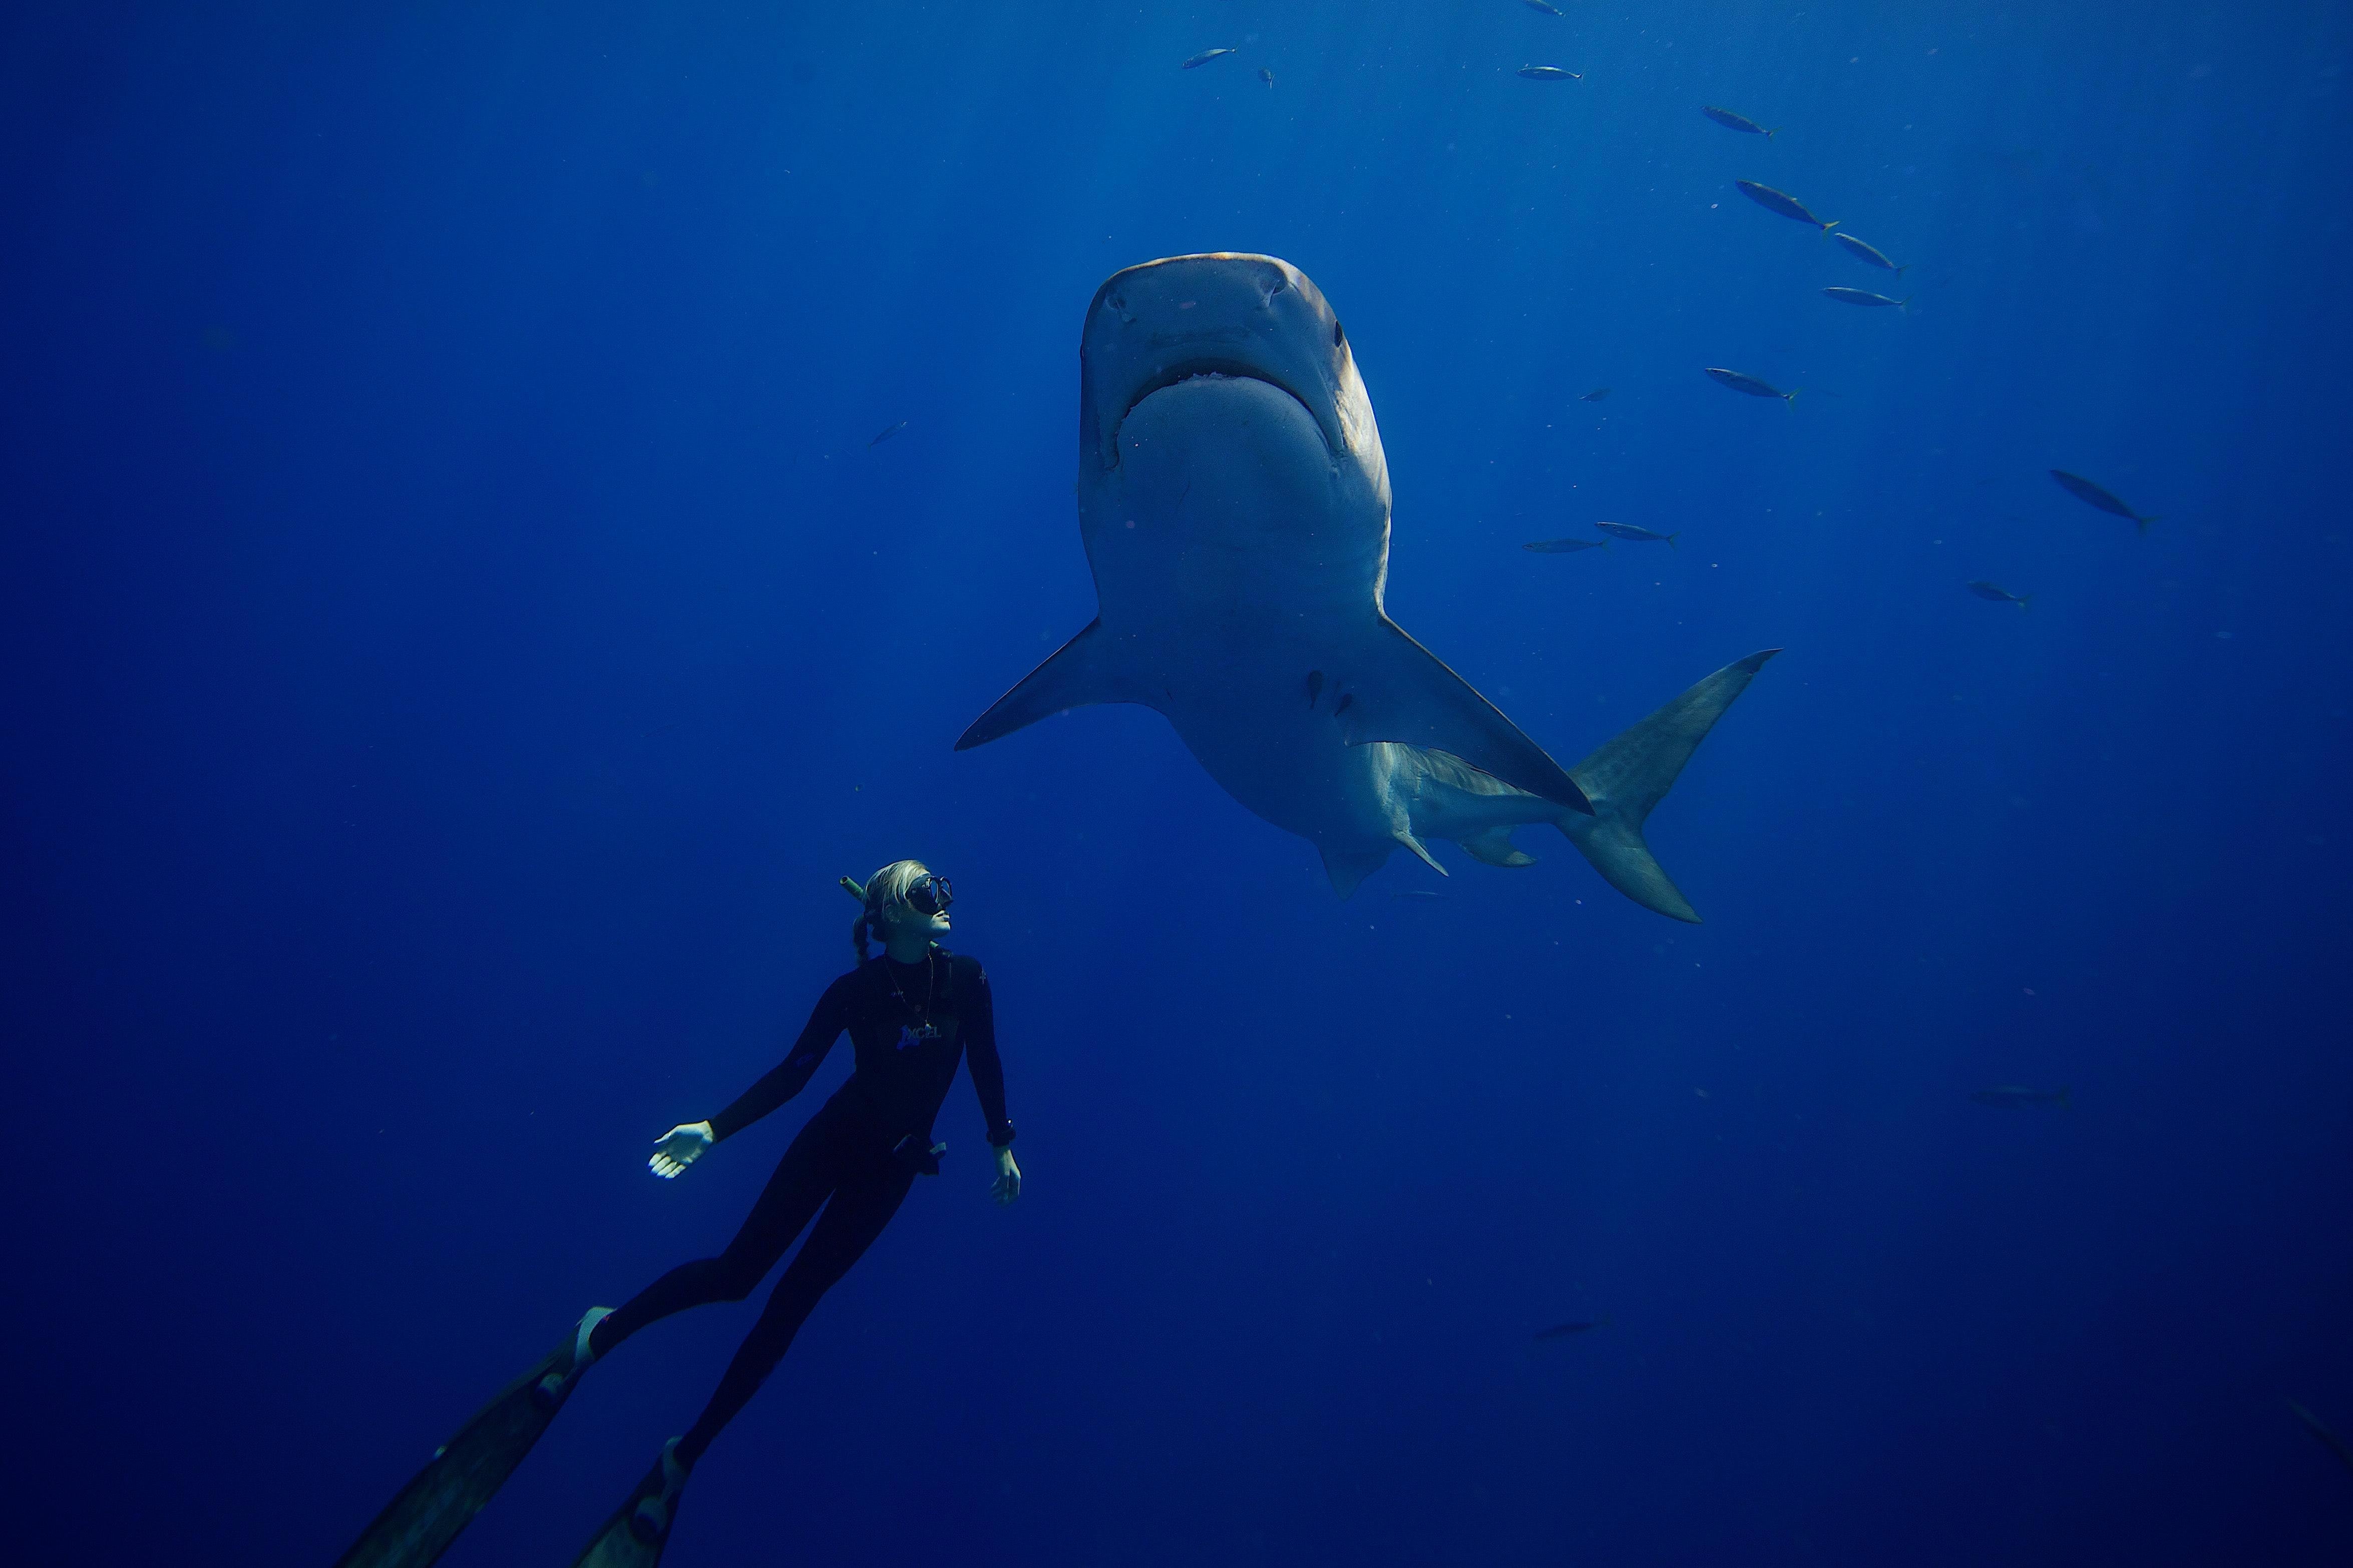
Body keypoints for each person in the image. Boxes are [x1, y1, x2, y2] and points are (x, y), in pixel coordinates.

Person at [548, 859, 1020, 1548]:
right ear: (892, 913)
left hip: (889, 1173)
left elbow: (986, 1058)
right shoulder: (854, 991)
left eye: (941, 885)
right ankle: (599, 1334)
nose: (943, 897)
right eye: (926, 891)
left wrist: (1000, 1141)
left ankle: (683, 1459)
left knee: (789, 1310)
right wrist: (713, 1129)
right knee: (735, 1275)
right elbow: (793, 1075)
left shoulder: (968, 978)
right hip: (831, 1144)